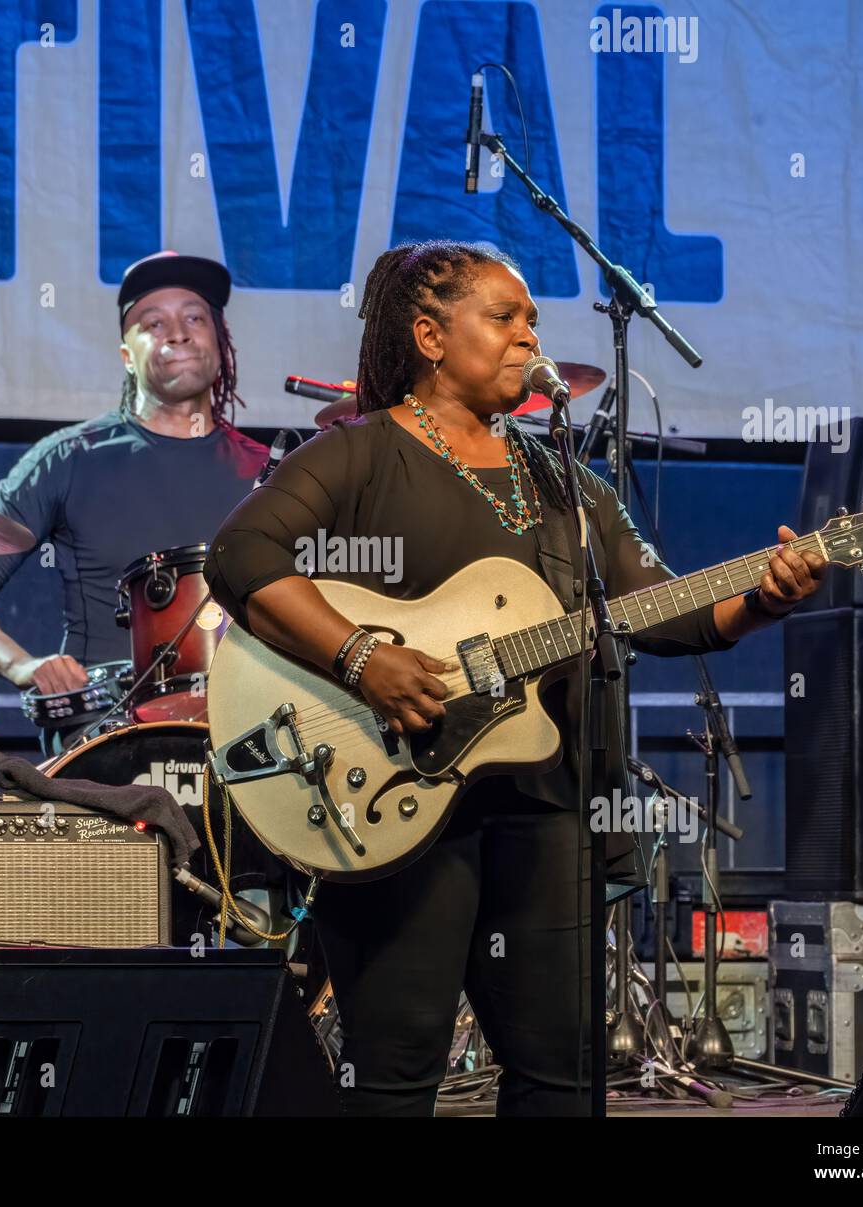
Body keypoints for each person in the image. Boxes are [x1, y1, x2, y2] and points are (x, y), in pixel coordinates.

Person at [203, 239, 826, 1117]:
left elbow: (663, 610)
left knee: (566, 1077)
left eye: (532, 318)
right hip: (394, 798)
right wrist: (362, 657)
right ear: (428, 334)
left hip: (547, 807)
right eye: (503, 317)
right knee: (395, 1074)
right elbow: (239, 554)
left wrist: (763, 597)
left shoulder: (568, 487)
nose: (528, 336)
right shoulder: (362, 455)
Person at [0, 251, 268, 745]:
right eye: (154, 323)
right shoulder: (68, 458)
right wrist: (25, 666)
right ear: (127, 355)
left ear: (219, 340)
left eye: (194, 317)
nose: (178, 332)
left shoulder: (271, 475)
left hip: (244, 738)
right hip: (102, 744)